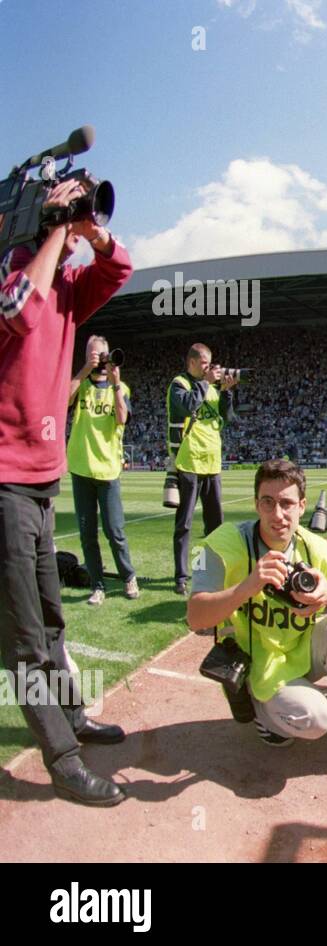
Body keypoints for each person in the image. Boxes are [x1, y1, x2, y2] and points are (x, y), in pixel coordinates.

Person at [0, 178, 133, 806]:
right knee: (23, 636)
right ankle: (62, 759)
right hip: (3, 482)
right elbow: (19, 313)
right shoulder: (17, 278)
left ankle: (73, 716)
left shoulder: (65, 288)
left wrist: (90, 228)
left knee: (52, 618)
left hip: (40, 479)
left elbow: (120, 267)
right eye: (61, 217)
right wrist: (55, 229)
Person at [187, 460, 327, 762]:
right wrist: (248, 585)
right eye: (267, 503)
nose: (277, 514)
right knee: (317, 719)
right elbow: (195, 617)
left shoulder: (315, 548)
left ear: (302, 506)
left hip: (300, 651)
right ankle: (261, 710)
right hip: (259, 664)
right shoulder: (224, 544)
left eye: (286, 503)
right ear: (256, 504)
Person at [67, 336, 138, 605]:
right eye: (94, 355)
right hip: (81, 468)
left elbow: (122, 418)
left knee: (115, 531)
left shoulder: (122, 388)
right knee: (87, 534)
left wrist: (116, 382)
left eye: (102, 355)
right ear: (87, 356)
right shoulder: (81, 385)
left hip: (108, 470)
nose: (99, 360)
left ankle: (128, 576)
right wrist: (85, 369)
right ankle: (98, 586)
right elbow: (62, 401)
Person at [169, 343, 237, 595]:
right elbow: (187, 406)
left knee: (215, 524)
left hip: (212, 462)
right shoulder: (179, 384)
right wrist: (206, 383)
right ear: (193, 362)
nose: (210, 368)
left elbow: (228, 418)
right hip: (188, 461)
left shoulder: (212, 387)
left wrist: (227, 392)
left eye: (211, 363)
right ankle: (181, 576)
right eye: (206, 363)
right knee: (184, 524)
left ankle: (216, 571)